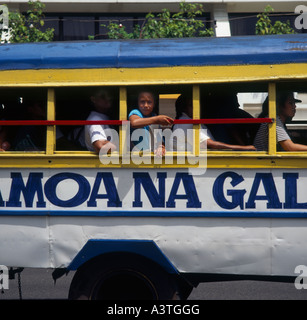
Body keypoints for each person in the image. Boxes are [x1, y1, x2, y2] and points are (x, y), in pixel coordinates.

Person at [172, 94, 256, 151]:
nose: (197, 108)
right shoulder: (186, 122)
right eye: (192, 105)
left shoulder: (188, 120)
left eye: (197, 104)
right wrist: (244, 148)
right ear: (184, 108)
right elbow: (210, 144)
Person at [128, 90, 174, 156]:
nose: (146, 105)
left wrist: (161, 147)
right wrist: (157, 119)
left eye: (149, 102)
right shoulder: (136, 112)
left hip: (150, 155)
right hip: (137, 156)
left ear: (154, 104)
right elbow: (134, 123)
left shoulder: (153, 116)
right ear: (137, 103)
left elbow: (159, 139)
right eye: (142, 102)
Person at [84, 89, 117, 153]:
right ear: (93, 99)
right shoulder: (95, 120)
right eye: (103, 97)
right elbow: (101, 147)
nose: (108, 98)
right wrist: (120, 144)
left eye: (110, 96)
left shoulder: (104, 117)